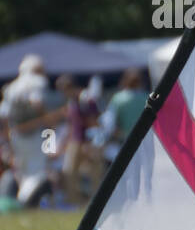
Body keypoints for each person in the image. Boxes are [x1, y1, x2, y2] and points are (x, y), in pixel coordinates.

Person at [0, 54, 62, 207]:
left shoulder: (12, 87)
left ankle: (21, 200)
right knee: (37, 171)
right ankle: (24, 202)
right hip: (35, 134)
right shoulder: (37, 82)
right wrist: (48, 121)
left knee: (22, 171)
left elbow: (4, 116)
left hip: (16, 135)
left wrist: (7, 140)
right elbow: (37, 102)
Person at [55, 74, 100, 203]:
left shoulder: (86, 99)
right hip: (74, 141)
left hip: (87, 141)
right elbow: (71, 125)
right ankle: (74, 202)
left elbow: (93, 121)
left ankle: (96, 202)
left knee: (93, 173)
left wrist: (88, 143)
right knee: (69, 172)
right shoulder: (71, 102)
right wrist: (62, 145)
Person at [104, 68, 149, 142]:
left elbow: (109, 125)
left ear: (124, 81)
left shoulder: (118, 99)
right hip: (146, 143)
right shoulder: (148, 98)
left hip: (125, 145)